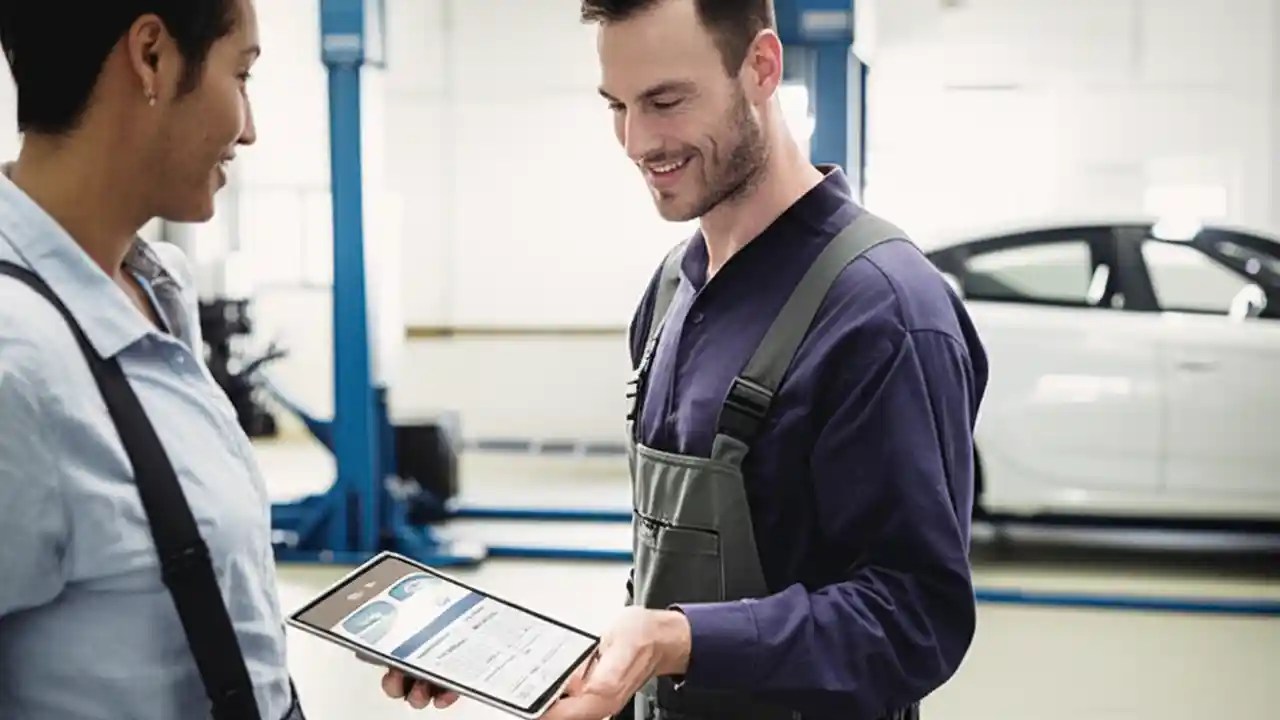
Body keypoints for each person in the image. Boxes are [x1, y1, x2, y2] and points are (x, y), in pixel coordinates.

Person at [381, 0, 988, 717]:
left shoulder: (883, 311)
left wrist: (678, 639)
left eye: (666, 101)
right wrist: (580, 666)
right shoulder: (674, 288)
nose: (637, 141)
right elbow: (667, 589)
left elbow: (915, 618)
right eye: (618, 106)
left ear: (761, 68)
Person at [0, 2, 303, 718]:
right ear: (153, 58)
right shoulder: (16, 366)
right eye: (243, 74)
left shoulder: (154, 288)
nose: (250, 129)